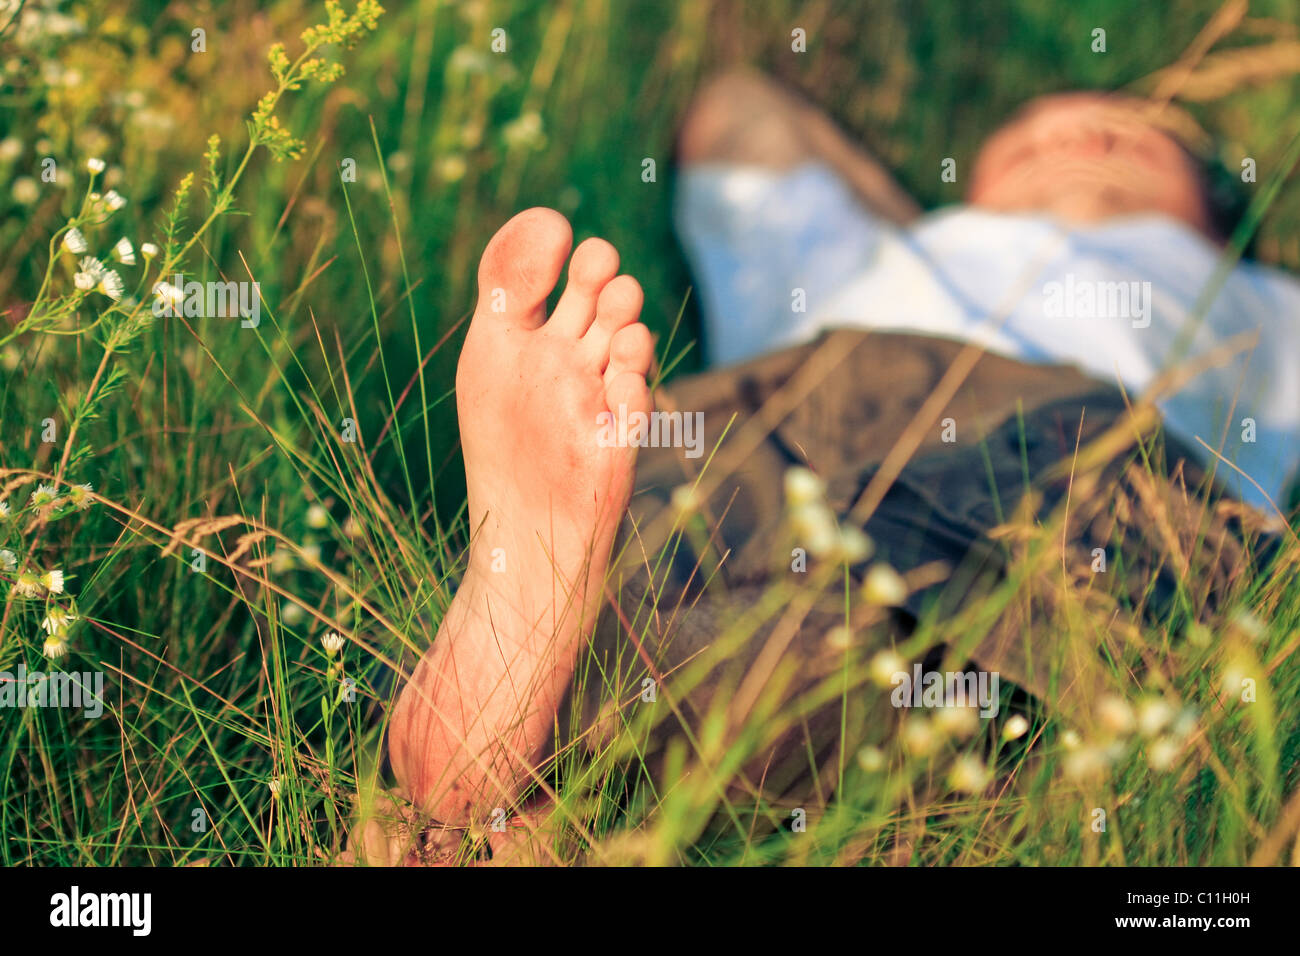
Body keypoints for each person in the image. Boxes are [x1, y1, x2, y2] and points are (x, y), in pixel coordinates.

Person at [363, 71, 1299, 865]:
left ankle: (528, 725)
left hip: (1063, 440)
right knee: (655, 554)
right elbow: (740, 105)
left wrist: (1000, 205)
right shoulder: (865, 253)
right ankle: (551, 689)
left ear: (1224, 217)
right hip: (782, 403)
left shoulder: (1270, 307)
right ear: (972, 182)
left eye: (1137, 138)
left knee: (902, 651)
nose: (1085, 131)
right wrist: (934, 228)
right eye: (1038, 131)